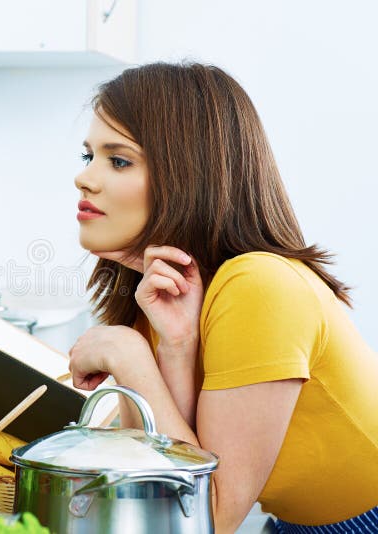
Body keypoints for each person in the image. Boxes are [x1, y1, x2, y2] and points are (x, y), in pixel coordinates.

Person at [68, 62, 378, 533]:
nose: (84, 178)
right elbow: (158, 467)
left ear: (188, 174)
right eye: (87, 155)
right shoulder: (162, 291)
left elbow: (203, 517)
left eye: (119, 160)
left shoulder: (259, 285)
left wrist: (125, 355)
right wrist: (173, 350)